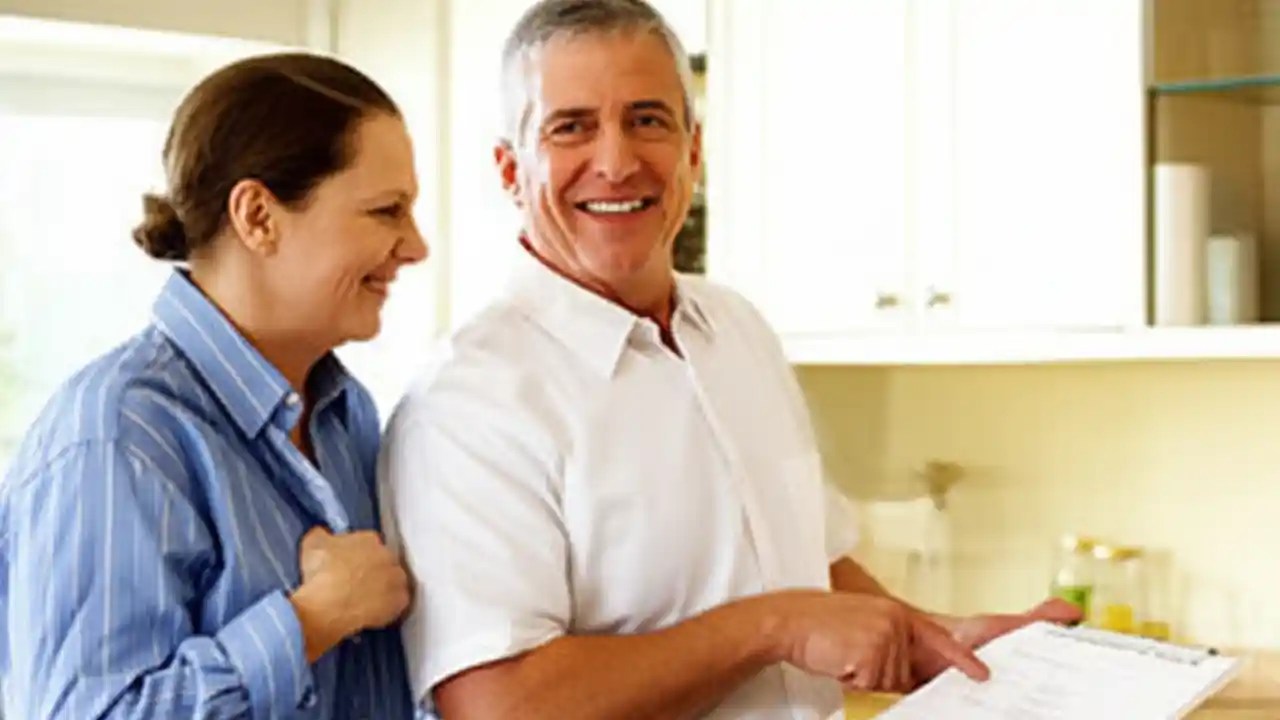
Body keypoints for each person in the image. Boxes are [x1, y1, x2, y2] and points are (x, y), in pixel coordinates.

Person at [379, 1, 1080, 718]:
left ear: (693, 149)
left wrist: (952, 644)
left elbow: (810, 569)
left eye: (648, 120)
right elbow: (499, 705)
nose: (616, 162)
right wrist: (772, 626)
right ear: (509, 169)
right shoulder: (469, 400)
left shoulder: (737, 330)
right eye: (571, 127)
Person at [0, 52, 428, 718]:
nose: (415, 246)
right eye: (385, 211)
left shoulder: (349, 418)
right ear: (258, 216)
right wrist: (310, 620)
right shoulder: (115, 436)